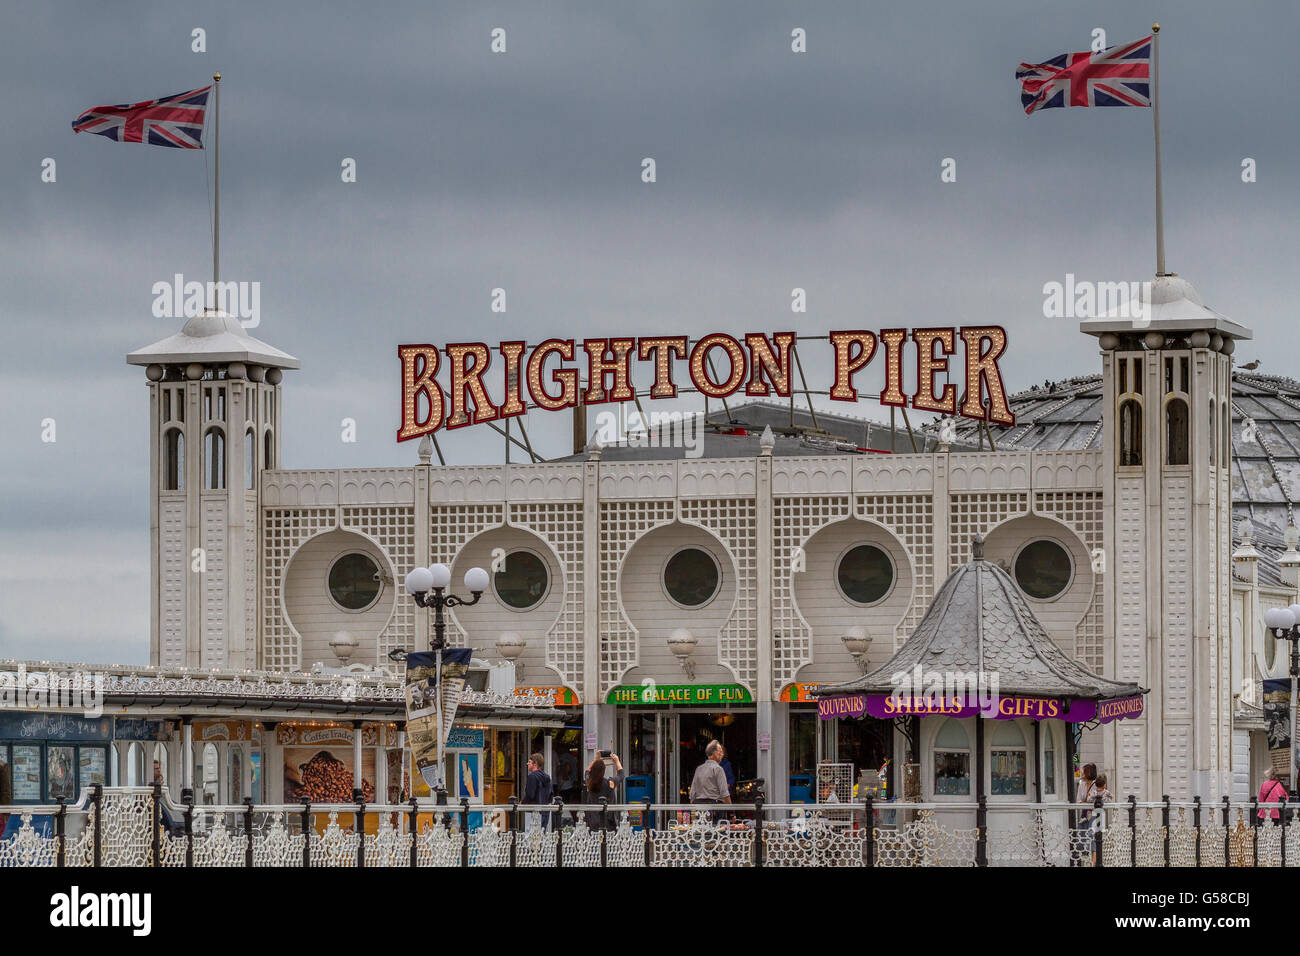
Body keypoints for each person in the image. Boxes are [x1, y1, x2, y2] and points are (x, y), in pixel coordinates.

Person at [582, 752, 623, 830]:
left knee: (595, 841)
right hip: (608, 822)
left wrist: (595, 760)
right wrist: (617, 761)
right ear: (603, 771)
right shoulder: (610, 783)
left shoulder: (589, 782)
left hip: (593, 822)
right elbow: (621, 775)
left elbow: (587, 771)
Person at [688, 740, 732, 805]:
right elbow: (724, 793)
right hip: (715, 806)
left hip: (699, 806)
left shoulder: (699, 769)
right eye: (720, 752)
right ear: (715, 753)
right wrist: (730, 808)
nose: (722, 755)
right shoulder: (718, 769)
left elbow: (692, 794)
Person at [523, 753, 554, 831]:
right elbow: (550, 797)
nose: (527, 764)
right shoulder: (547, 778)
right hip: (545, 812)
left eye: (529, 762)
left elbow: (530, 795)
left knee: (529, 837)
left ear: (535, 764)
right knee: (541, 838)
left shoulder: (532, 776)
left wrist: (522, 803)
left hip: (533, 812)